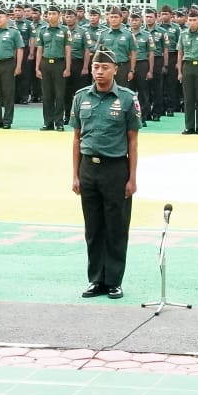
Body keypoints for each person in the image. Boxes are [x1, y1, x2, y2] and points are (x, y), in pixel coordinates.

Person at [71, 49, 141, 300]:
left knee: (116, 227)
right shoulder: (81, 97)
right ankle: (96, 279)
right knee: (93, 227)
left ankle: (114, 280)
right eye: (96, 67)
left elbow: (132, 141)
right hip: (89, 168)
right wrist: (76, 175)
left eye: (104, 68)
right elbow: (77, 138)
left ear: (115, 70)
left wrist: (132, 178)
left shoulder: (127, 98)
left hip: (115, 168)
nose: (99, 72)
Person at [33, 5, 72, 131]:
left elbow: (67, 50)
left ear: (59, 15)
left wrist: (67, 68)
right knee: (47, 95)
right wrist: (37, 68)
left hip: (59, 64)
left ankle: (59, 122)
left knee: (60, 95)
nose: (51, 16)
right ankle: (48, 122)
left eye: (53, 14)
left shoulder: (65, 30)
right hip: (45, 64)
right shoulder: (42, 30)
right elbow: (39, 50)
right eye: (49, 14)